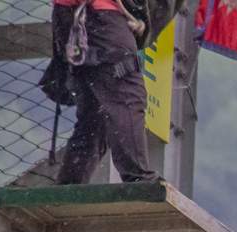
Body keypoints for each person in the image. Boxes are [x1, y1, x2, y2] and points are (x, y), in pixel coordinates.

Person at [43, 0, 159, 184]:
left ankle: (69, 187)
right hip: (102, 18)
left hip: (75, 18)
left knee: (94, 117)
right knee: (126, 96)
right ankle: (138, 179)